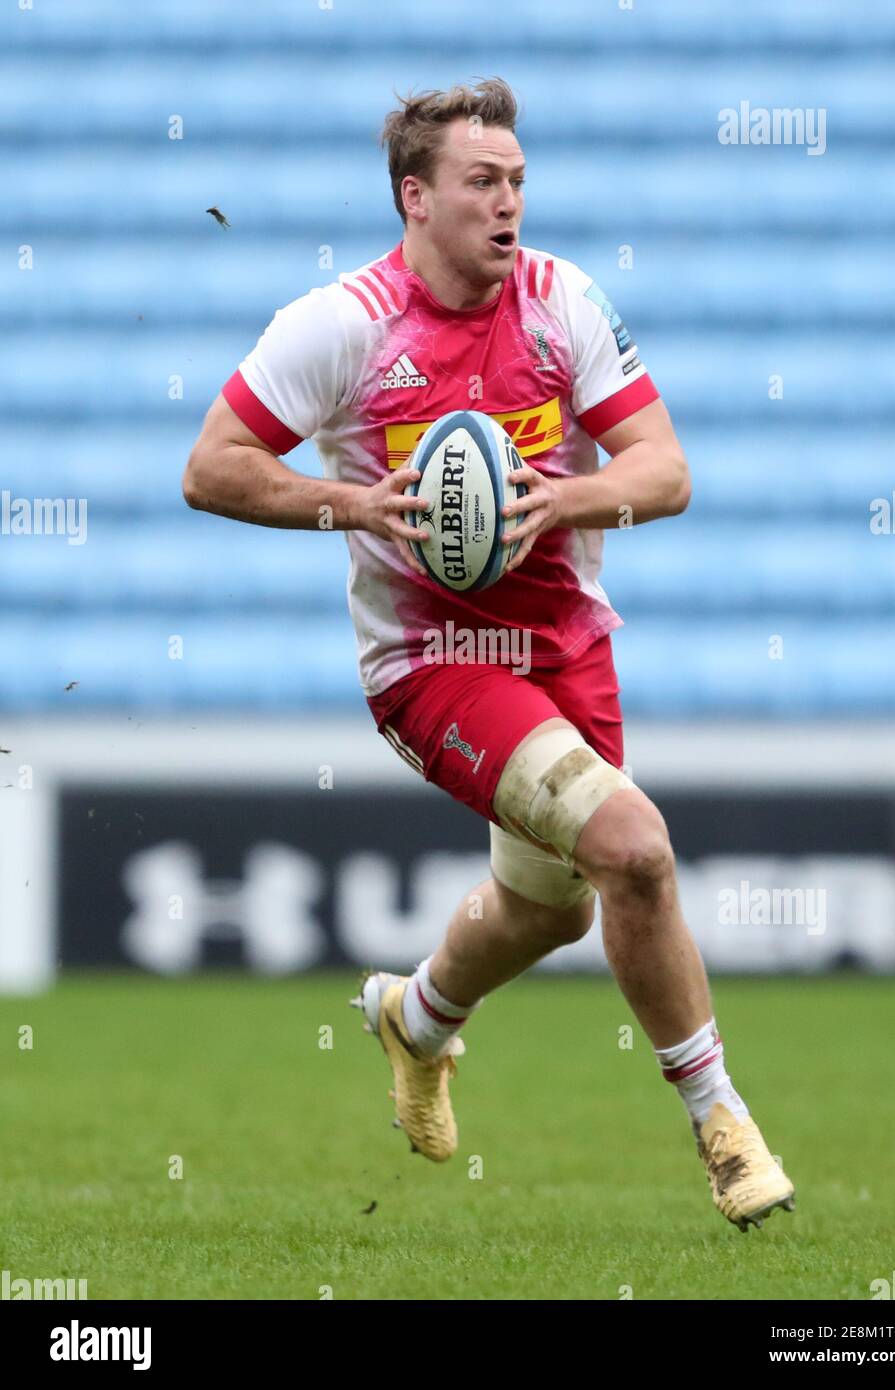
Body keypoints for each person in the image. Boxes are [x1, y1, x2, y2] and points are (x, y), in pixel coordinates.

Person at [183, 77, 795, 1232]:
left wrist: (563, 500)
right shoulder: (342, 327)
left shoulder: (563, 299)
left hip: (564, 642)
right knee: (637, 848)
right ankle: (724, 1127)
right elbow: (210, 468)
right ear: (416, 199)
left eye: (517, 180)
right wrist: (356, 506)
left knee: (558, 908)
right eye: (482, 182)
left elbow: (664, 470)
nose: (509, 202)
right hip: (432, 660)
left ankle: (416, 1019)